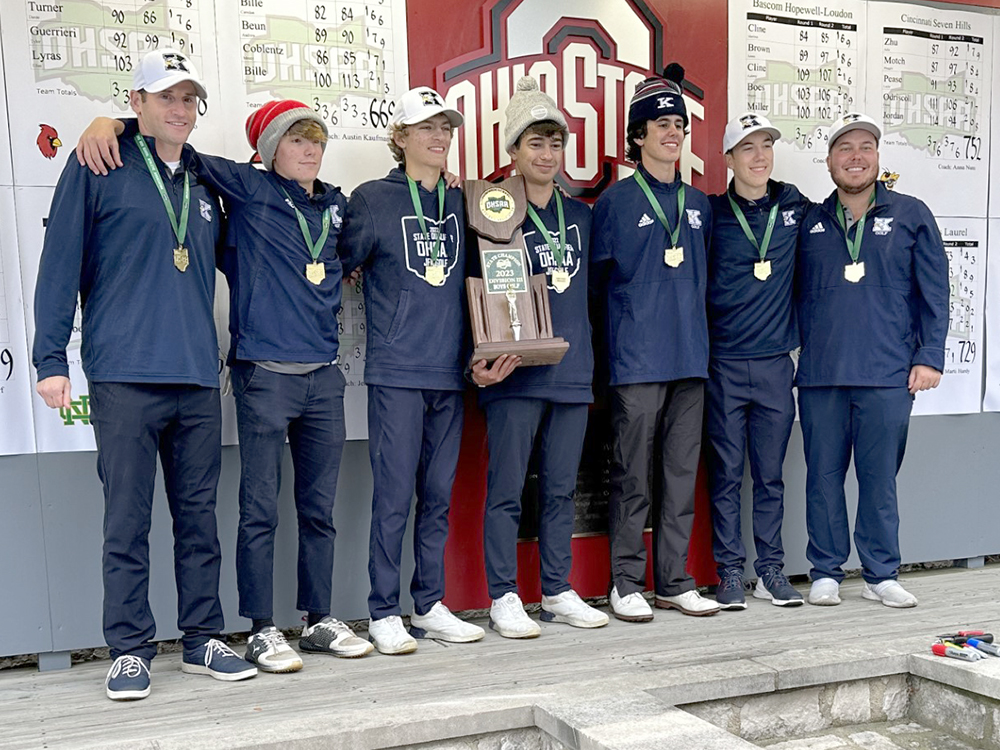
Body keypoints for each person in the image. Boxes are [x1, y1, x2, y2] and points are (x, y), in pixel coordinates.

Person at [77, 99, 377, 671]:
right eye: (295, 140)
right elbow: (174, 145)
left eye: (316, 139)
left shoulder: (337, 205)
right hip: (263, 375)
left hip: (324, 378)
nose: (309, 149)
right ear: (268, 150)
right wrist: (110, 124)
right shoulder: (244, 186)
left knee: (319, 510)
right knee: (258, 509)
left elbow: (360, 249)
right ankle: (262, 629)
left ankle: (318, 619)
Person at [35, 49, 256, 701]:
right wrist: (50, 360)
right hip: (124, 376)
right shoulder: (98, 162)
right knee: (126, 521)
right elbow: (59, 262)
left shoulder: (207, 180)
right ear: (136, 103)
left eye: (189, 99)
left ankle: (201, 639)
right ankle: (129, 648)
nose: (179, 110)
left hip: (194, 376)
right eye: (165, 98)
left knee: (198, 519)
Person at [338, 86, 514, 654]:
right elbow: (342, 264)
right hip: (395, 371)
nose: (440, 138)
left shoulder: (465, 203)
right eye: (427, 128)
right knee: (393, 495)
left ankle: (430, 603)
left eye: (446, 129)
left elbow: (482, 280)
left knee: (437, 495)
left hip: (450, 373)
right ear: (401, 137)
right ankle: (383, 611)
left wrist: (480, 355)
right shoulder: (371, 200)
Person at [795, 113, 948, 608]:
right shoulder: (810, 222)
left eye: (865, 147)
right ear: (829, 162)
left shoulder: (910, 213)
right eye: (844, 149)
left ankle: (882, 572)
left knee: (879, 478)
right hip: (821, 374)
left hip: (887, 373)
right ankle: (825, 571)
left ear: (878, 158)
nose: (855, 156)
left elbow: (935, 291)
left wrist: (929, 357)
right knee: (822, 476)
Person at [479, 77, 609, 639]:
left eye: (555, 144)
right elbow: (475, 288)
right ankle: (503, 595)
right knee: (508, 489)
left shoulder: (581, 215)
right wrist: (479, 358)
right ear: (513, 150)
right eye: (535, 143)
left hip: (572, 371)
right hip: (514, 370)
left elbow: (598, 293)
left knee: (560, 488)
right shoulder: (490, 207)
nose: (547, 154)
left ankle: (556, 589)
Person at [591, 64, 719, 621]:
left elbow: (706, 280)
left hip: (690, 358)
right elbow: (596, 290)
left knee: (680, 475)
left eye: (679, 125)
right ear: (637, 136)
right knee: (632, 475)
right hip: (636, 361)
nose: (672, 133)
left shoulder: (700, 204)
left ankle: (674, 578)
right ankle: (625, 582)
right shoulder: (615, 204)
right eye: (660, 124)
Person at [705, 113, 806, 610]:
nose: (760, 155)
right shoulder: (708, 213)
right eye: (747, 148)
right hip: (723, 362)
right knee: (725, 475)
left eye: (766, 145)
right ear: (728, 159)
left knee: (769, 475)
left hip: (773, 365)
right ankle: (729, 571)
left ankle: (769, 568)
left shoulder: (795, 206)